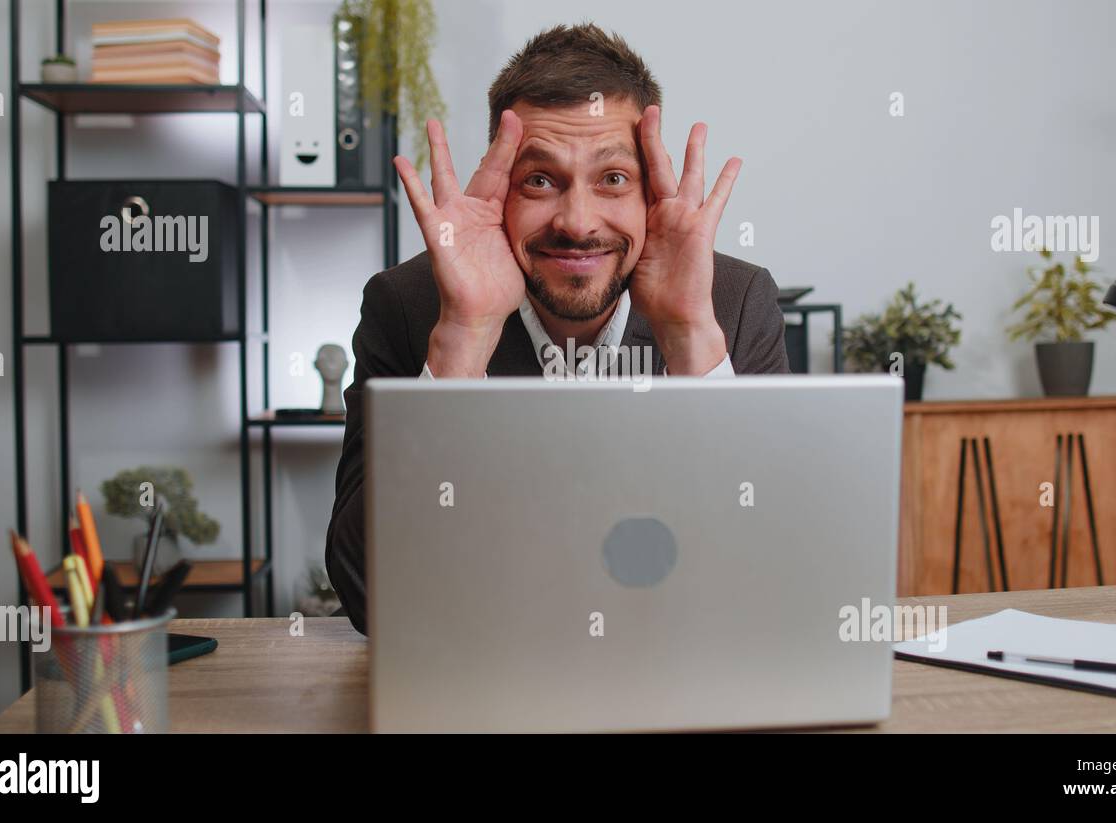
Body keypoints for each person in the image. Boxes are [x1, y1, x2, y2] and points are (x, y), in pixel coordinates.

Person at [326, 23, 788, 633]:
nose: (576, 221)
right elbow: (367, 593)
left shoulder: (730, 302)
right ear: (502, 192)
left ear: (651, 192)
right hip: (483, 673)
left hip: (670, 659)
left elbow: (775, 570)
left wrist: (689, 337)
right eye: (540, 180)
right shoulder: (409, 306)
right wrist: (463, 337)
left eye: (613, 179)